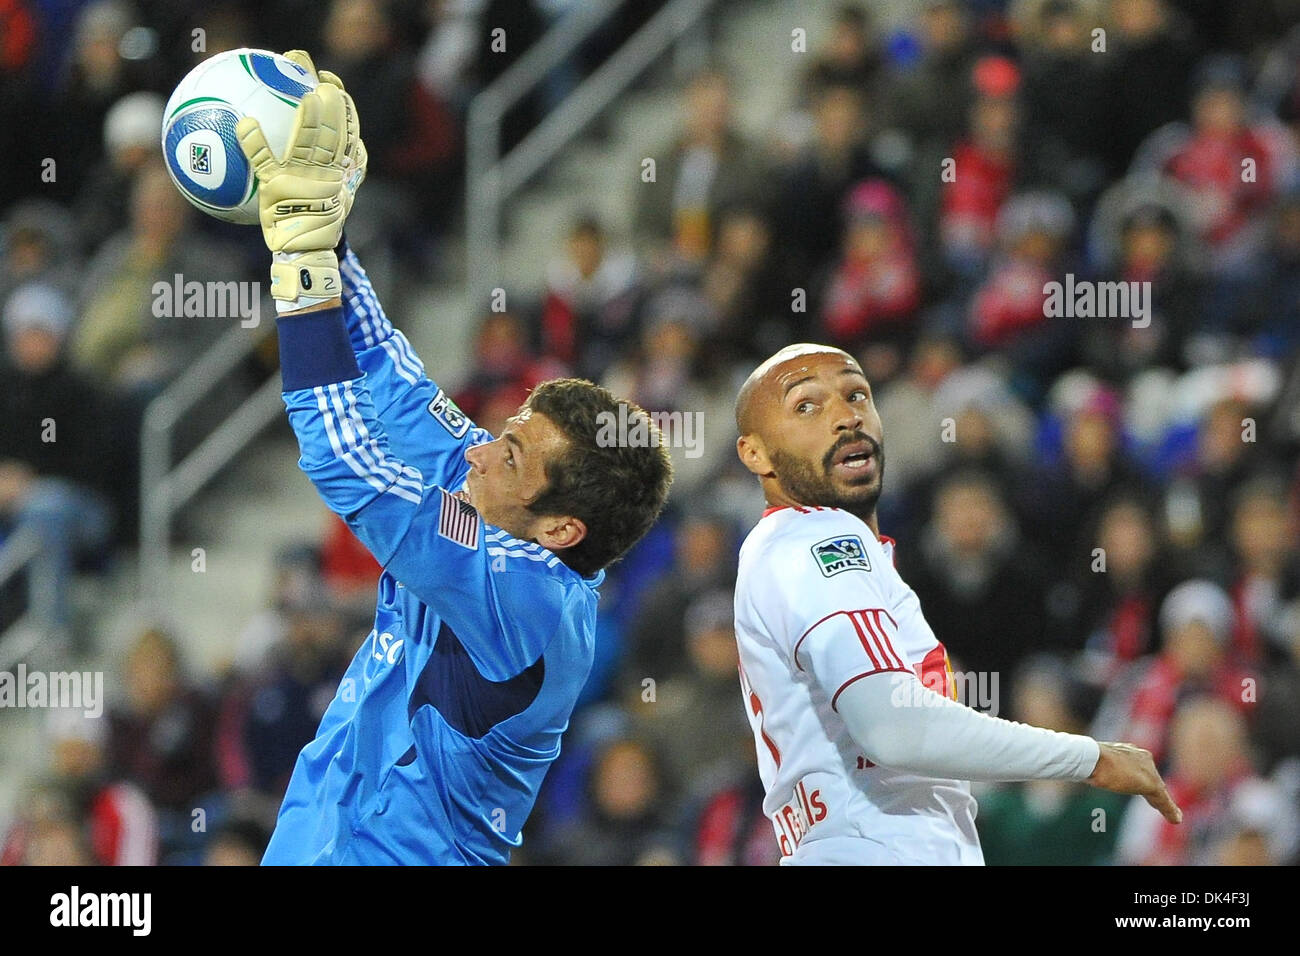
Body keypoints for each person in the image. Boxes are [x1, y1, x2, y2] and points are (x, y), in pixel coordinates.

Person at [236, 53, 673, 864]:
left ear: (562, 529)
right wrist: (326, 229)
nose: (478, 454)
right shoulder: (496, 496)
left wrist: (300, 273)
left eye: (508, 455)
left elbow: (350, 462)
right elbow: (393, 384)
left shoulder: (527, 599)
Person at [730, 343, 1181, 864]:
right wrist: (1089, 756)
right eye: (806, 405)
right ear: (754, 453)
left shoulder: (787, 551)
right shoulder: (822, 542)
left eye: (857, 394)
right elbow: (893, 727)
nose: (845, 416)